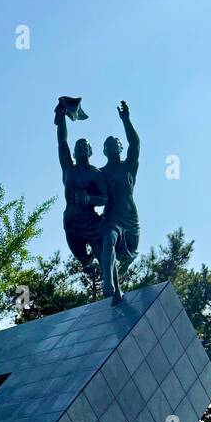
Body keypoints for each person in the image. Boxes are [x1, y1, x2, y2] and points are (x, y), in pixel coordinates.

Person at [55, 99, 107, 276]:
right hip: (70, 221)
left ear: (91, 152)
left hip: (90, 222)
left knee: (104, 260)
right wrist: (61, 118)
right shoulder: (68, 169)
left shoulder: (95, 174)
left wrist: (89, 198)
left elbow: (105, 198)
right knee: (82, 258)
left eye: (85, 147)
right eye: (78, 147)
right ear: (75, 152)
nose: (81, 148)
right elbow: (62, 141)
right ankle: (89, 264)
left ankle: (111, 283)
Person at [99, 101, 140, 305]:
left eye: (115, 143)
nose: (112, 145)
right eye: (108, 145)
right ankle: (109, 281)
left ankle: (117, 268)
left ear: (120, 147)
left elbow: (136, 144)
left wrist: (126, 120)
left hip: (130, 216)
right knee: (109, 240)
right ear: (104, 151)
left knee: (131, 252)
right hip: (111, 216)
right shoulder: (101, 173)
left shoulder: (129, 166)